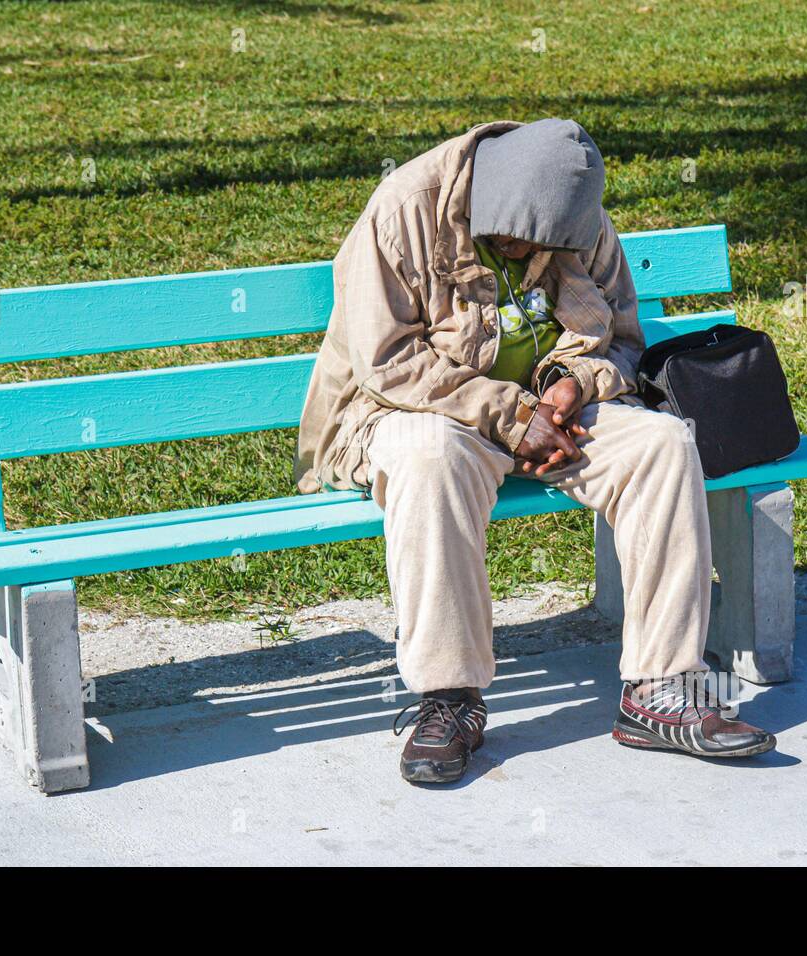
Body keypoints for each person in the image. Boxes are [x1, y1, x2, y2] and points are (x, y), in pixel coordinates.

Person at [295, 119, 775, 784]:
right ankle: (449, 699)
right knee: (433, 461)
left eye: (546, 246)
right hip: (413, 409)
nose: (530, 254)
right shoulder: (405, 207)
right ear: (491, 205)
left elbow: (625, 343)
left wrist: (569, 388)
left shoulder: (580, 221)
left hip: (546, 415)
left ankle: (660, 688)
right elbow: (388, 362)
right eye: (518, 241)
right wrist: (509, 416)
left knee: (661, 443)